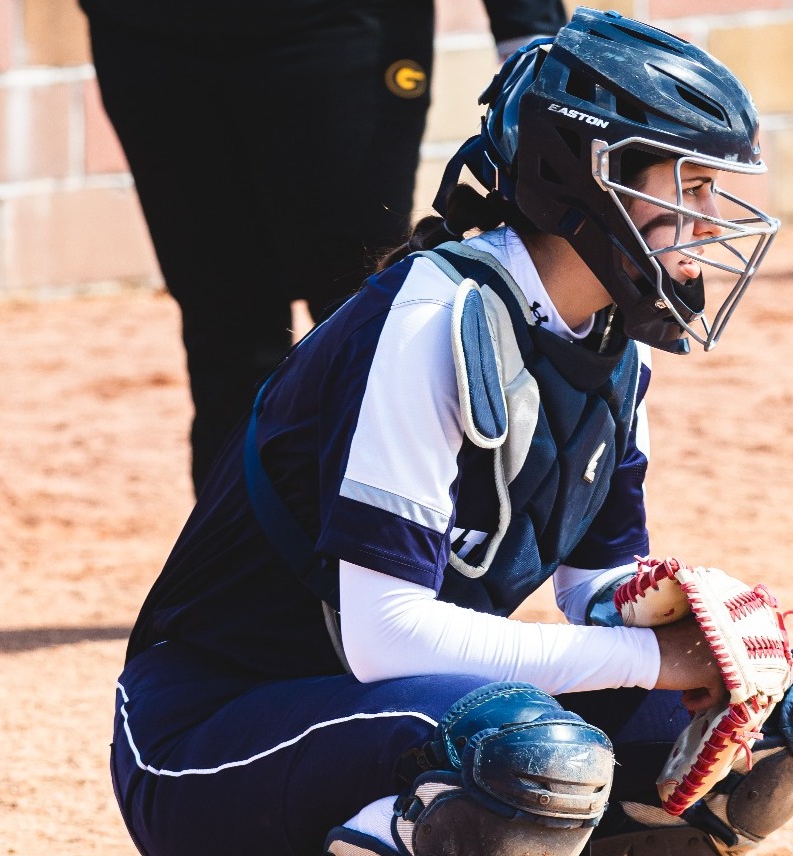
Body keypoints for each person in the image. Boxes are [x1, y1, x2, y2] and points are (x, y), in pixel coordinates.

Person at [109, 9, 793, 856]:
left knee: (789, 709)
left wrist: (694, 628)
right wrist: (651, 657)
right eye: (683, 189)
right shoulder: (438, 318)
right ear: (587, 180)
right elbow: (386, 639)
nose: (705, 223)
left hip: (380, 714)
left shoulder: (606, 345)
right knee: (532, 759)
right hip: (211, 741)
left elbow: (596, 590)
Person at [78, 0, 568, 497]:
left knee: (360, 309)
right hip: (146, 33)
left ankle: (382, 546)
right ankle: (236, 554)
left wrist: (528, 34)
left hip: (339, 30)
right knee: (222, 324)